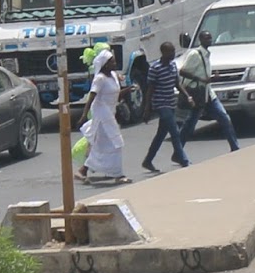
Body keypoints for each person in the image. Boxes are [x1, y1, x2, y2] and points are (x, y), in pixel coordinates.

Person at [179, 30, 241, 151]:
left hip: (208, 94)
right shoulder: (195, 54)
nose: (209, 40)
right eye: (206, 38)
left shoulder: (207, 54)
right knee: (190, 125)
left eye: (210, 38)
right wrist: (201, 79)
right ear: (201, 40)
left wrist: (211, 78)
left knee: (224, 117)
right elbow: (182, 71)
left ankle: (235, 147)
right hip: (198, 94)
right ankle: (178, 150)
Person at [77, 58, 131, 184]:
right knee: (116, 142)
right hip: (101, 114)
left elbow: (114, 94)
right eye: (112, 62)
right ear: (105, 64)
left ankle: (83, 170)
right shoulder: (99, 79)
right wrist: (84, 114)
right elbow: (92, 97)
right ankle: (118, 174)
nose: (114, 64)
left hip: (110, 113)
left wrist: (128, 90)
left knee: (100, 145)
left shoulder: (113, 76)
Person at [141, 42, 189, 171]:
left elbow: (177, 83)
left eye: (173, 51)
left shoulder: (173, 65)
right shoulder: (155, 68)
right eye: (170, 51)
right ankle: (183, 160)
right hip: (161, 104)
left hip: (171, 103)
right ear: (163, 52)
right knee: (174, 132)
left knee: (161, 134)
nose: (173, 54)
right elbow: (150, 89)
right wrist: (147, 108)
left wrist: (187, 96)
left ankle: (148, 160)